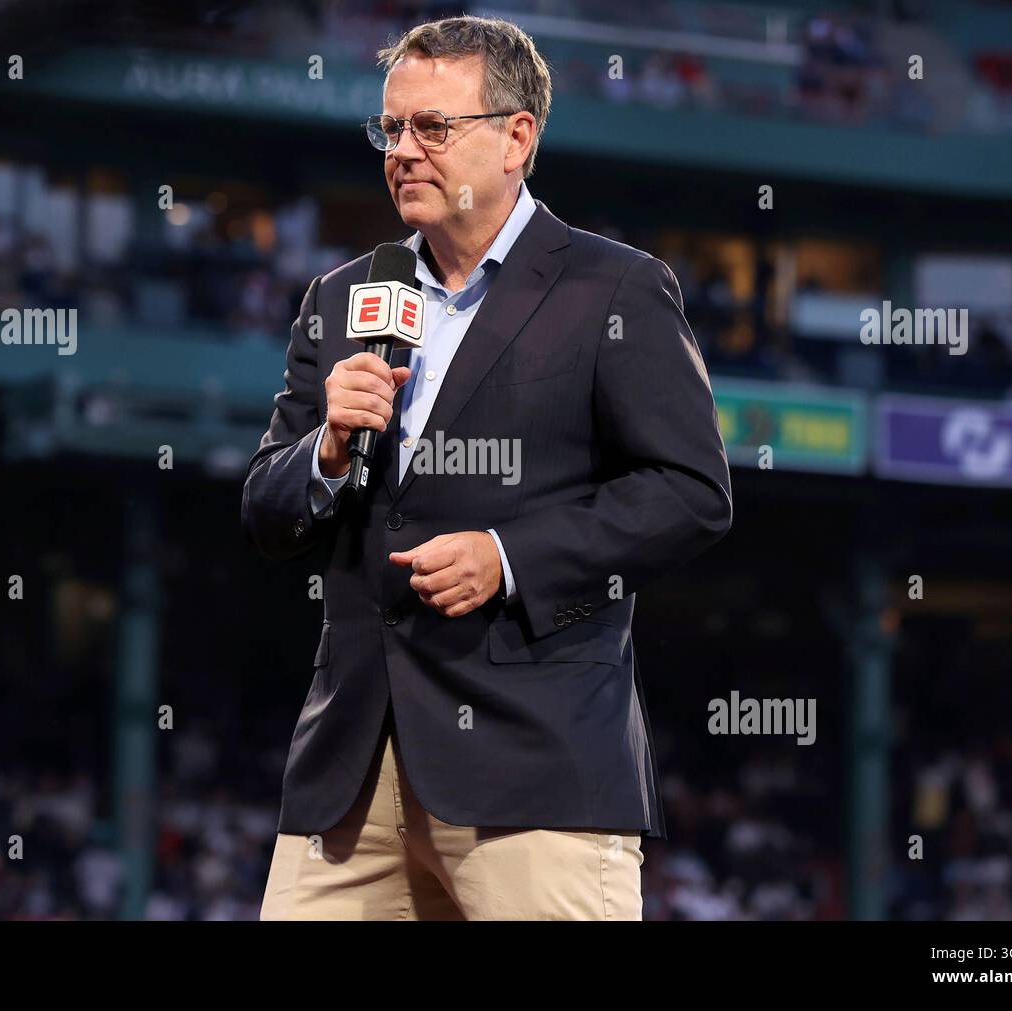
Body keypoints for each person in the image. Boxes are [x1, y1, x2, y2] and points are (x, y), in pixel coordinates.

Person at [242, 15, 732, 920]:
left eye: (435, 127)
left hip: (536, 770)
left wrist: (509, 556)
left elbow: (691, 493)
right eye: (392, 129)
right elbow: (268, 509)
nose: (404, 151)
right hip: (351, 774)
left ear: (518, 138)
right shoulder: (343, 298)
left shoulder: (614, 287)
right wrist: (329, 448)